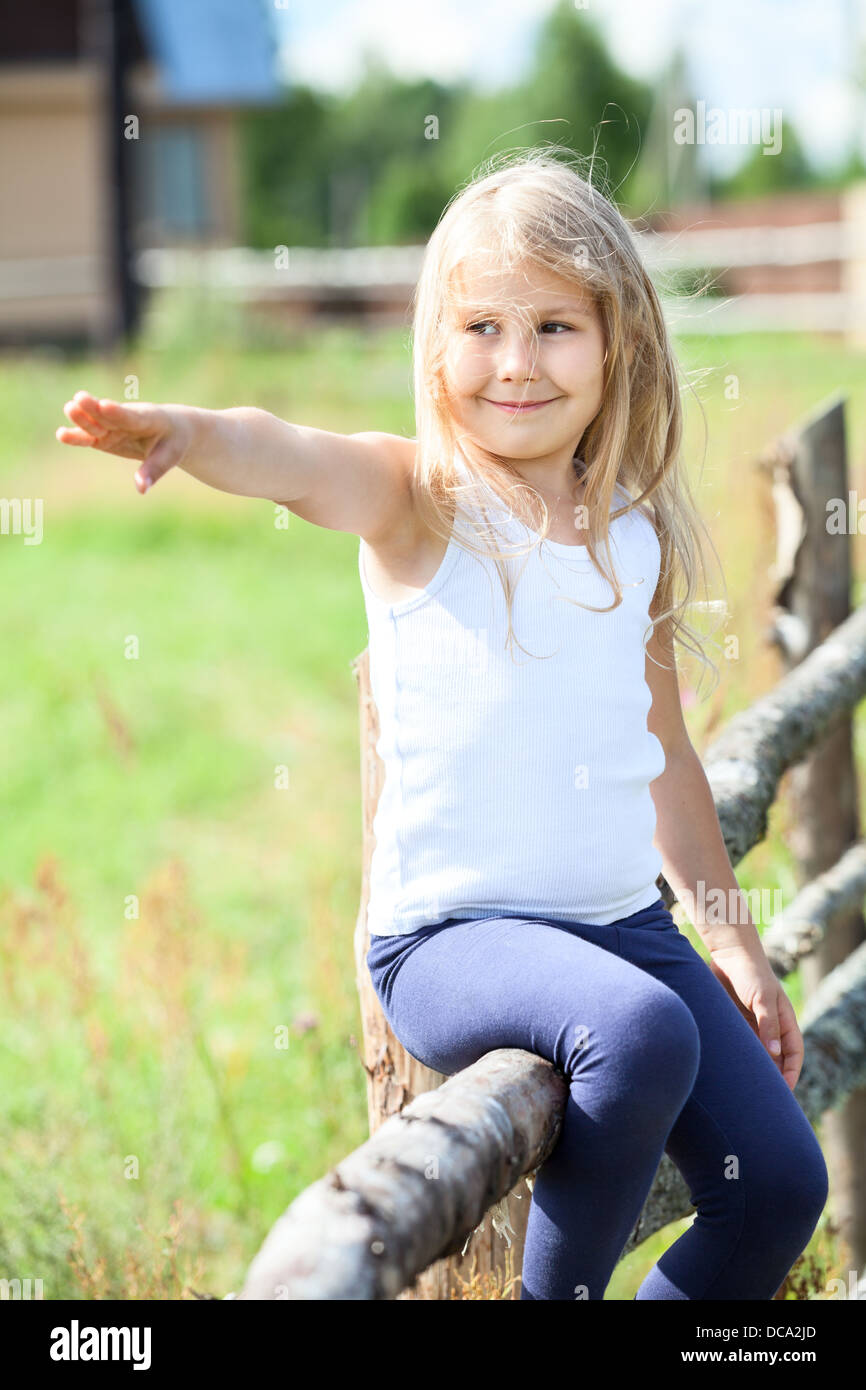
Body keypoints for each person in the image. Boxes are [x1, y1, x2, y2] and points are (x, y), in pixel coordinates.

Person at [56, 146, 828, 1301]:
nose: (514, 363)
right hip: (452, 939)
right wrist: (193, 430)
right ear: (435, 348)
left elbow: (663, 762)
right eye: (480, 328)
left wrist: (732, 941)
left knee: (777, 1188)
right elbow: (294, 457)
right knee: (641, 1033)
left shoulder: (628, 537)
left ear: (615, 339)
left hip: (620, 925)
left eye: (554, 327)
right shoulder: (420, 501)